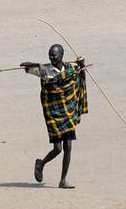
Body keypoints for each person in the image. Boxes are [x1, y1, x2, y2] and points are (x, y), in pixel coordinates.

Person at [20, 44, 88, 189]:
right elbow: (27, 67)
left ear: (61, 55)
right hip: (54, 114)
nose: (51, 58)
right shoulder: (44, 70)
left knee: (68, 146)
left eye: (54, 55)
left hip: (67, 113)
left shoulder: (70, 68)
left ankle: (63, 180)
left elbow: (80, 78)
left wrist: (82, 66)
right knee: (58, 149)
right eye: (50, 55)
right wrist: (30, 64)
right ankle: (41, 163)